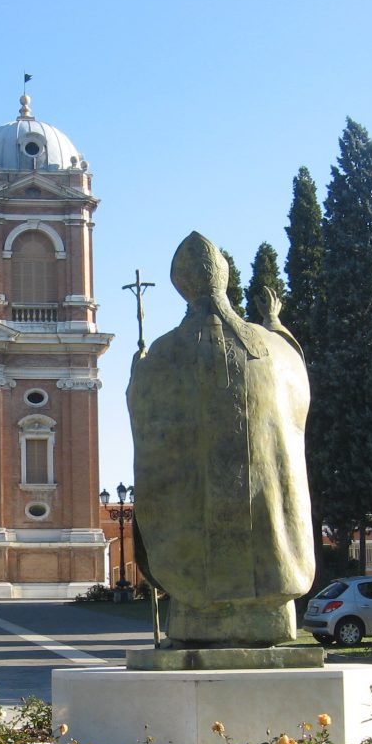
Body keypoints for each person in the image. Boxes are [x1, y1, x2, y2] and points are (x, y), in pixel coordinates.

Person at [127, 231, 314, 645]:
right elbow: (300, 395)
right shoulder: (274, 350)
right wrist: (276, 326)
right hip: (272, 568)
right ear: (225, 279)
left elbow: (147, 426)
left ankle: (201, 601)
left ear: (181, 285)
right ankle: (266, 602)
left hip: (195, 587)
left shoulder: (161, 356)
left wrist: (136, 374)